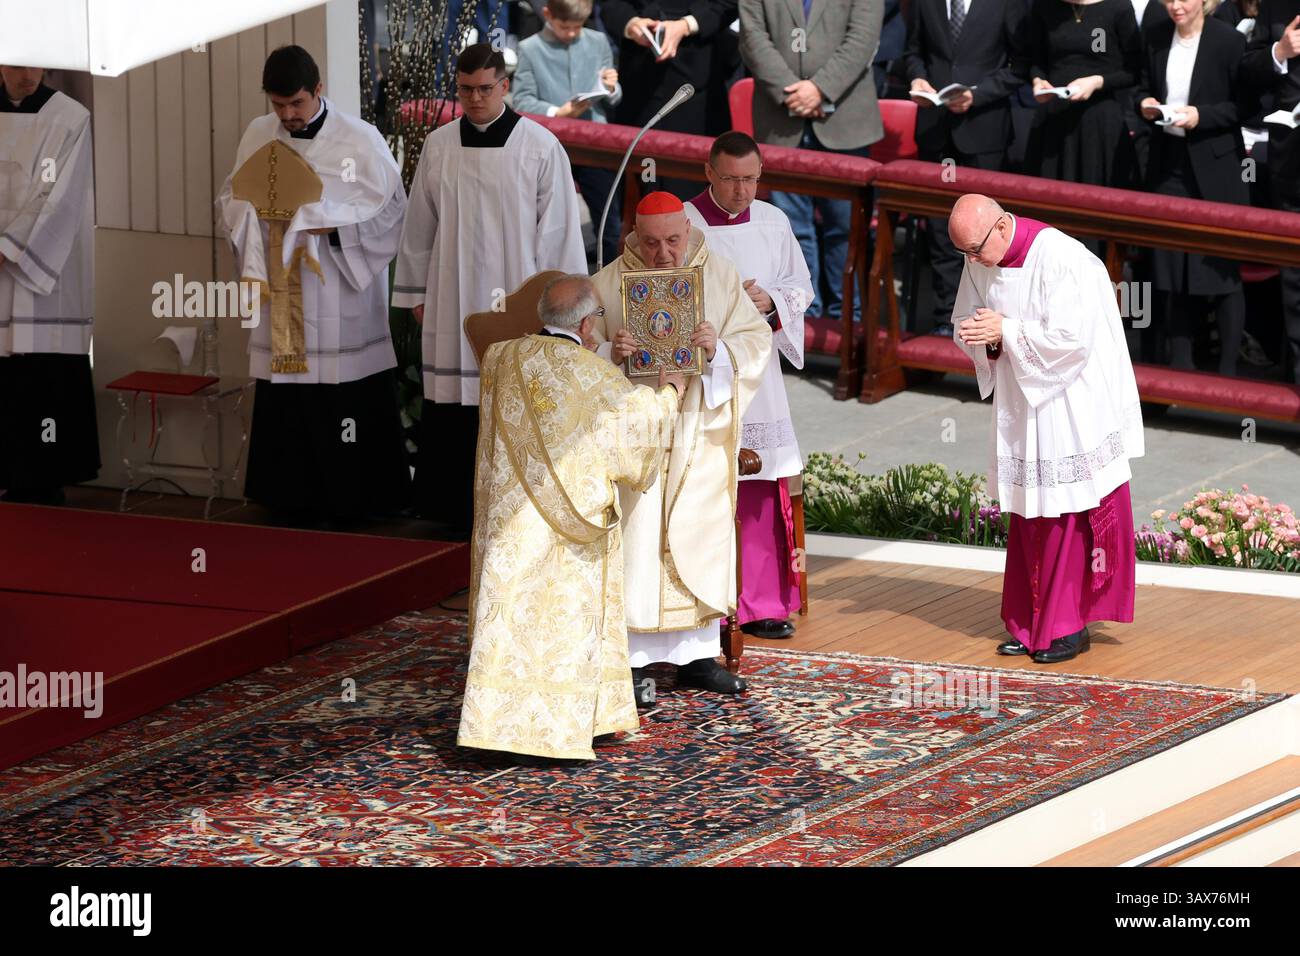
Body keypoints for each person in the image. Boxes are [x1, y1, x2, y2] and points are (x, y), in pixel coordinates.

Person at [458, 275, 685, 760]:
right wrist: (670, 394)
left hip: (509, 527)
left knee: (513, 622)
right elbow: (635, 437)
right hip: (569, 531)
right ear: (586, 324)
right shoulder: (596, 377)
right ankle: (563, 729)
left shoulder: (500, 358)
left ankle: (495, 728)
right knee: (563, 622)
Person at [392, 43, 586, 535]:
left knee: (509, 402)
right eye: (465, 90)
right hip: (451, 295)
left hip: (519, 300)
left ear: (504, 86)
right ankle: (448, 509)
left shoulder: (539, 147)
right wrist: (416, 294)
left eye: (484, 89)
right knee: (454, 401)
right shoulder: (438, 146)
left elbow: (559, 231)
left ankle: (514, 510)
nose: (474, 99)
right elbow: (420, 225)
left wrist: (557, 311)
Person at [589, 191, 771, 702]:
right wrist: (609, 352)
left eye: (673, 240)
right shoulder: (607, 282)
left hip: (697, 428)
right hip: (638, 437)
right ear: (635, 237)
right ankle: (633, 666)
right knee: (638, 543)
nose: (664, 253)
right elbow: (577, 358)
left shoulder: (720, 274)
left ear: (688, 231)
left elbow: (755, 343)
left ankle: (695, 657)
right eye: (651, 243)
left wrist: (719, 351)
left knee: (697, 536)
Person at [217, 46, 410, 524]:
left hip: (336, 286)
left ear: (318, 90)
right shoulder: (259, 134)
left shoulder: (360, 139)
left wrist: (338, 229)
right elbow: (231, 196)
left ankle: (354, 500)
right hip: (283, 286)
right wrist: (250, 214)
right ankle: (288, 497)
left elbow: (390, 210)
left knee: (340, 392)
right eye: (278, 105)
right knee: (287, 392)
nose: (287, 116)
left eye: (297, 104)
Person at [948, 194, 1144, 664]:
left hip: (1070, 399)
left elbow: (1072, 342)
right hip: (1021, 397)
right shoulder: (979, 257)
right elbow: (966, 320)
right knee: (1029, 510)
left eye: (976, 250)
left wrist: (1005, 331)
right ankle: (1029, 621)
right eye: (965, 254)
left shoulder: (1063, 258)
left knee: (1064, 511)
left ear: (999, 227)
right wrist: (983, 339)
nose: (973, 262)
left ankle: (1068, 626)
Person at [683, 132, 813, 640]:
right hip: (705, 370)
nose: (742, 191)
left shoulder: (774, 220)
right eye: (732, 180)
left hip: (759, 378)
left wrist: (772, 302)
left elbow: (800, 287)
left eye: (751, 180)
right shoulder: (685, 223)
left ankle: (761, 604)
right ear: (709, 173)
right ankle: (707, 607)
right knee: (706, 486)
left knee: (760, 485)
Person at [739, 0, 884, 320]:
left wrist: (820, 90)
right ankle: (799, 315)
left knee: (844, 228)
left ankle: (846, 318)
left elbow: (862, 38)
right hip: (780, 121)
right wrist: (792, 93)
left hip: (844, 121)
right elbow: (752, 37)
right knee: (790, 228)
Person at [0, 66, 98, 506]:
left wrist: (9, 247)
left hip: (42, 279)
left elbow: (60, 199)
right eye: (16, 63)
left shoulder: (70, 117)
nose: (27, 74)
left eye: (35, 63)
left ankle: (46, 481)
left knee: (42, 379)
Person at [1136, 0, 1250, 375]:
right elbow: (1140, 86)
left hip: (1215, 168)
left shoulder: (1228, 41)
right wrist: (1146, 103)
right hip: (1168, 163)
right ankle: (1179, 366)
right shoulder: (1154, 37)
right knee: (1170, 266)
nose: (1174, 6)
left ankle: (1228, 371)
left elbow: (1245, 107)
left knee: (1220, 269)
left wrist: (1202, 116)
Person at [903, 0, 1030, 334]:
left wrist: (979, 94)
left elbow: (1020, 65)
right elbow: (913, 51)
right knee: (940, 227)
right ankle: (948, 320)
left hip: (984, 132)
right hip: (936, 131)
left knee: (987, 234)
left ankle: (988, 319)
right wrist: (917, 79)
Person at [512, 0, 625, 265]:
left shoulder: (597, 41)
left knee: (608, 219)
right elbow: (522, 101)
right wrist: (558, 112)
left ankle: (607, 274)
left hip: (594, 142)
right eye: (565, 27)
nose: (572, 33)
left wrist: (611, 87)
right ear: (547, 15)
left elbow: (614, 97)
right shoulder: (530, 48)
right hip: (550, 143)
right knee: (544, 219)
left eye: (578, 26)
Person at [1242, 1, 1300, 383]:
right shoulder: (1277, 6)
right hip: (1292, 162)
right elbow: (1247, 70)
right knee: (1296, 286)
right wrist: (1280, 51)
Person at [1025, 0, 1142, 189]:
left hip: (1099, 120)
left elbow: (1135, 70)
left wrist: (1097, 82)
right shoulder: (1044, 6)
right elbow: (1036, 61)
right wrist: (1038, 80)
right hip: (1055, 118)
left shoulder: (1118, 7)